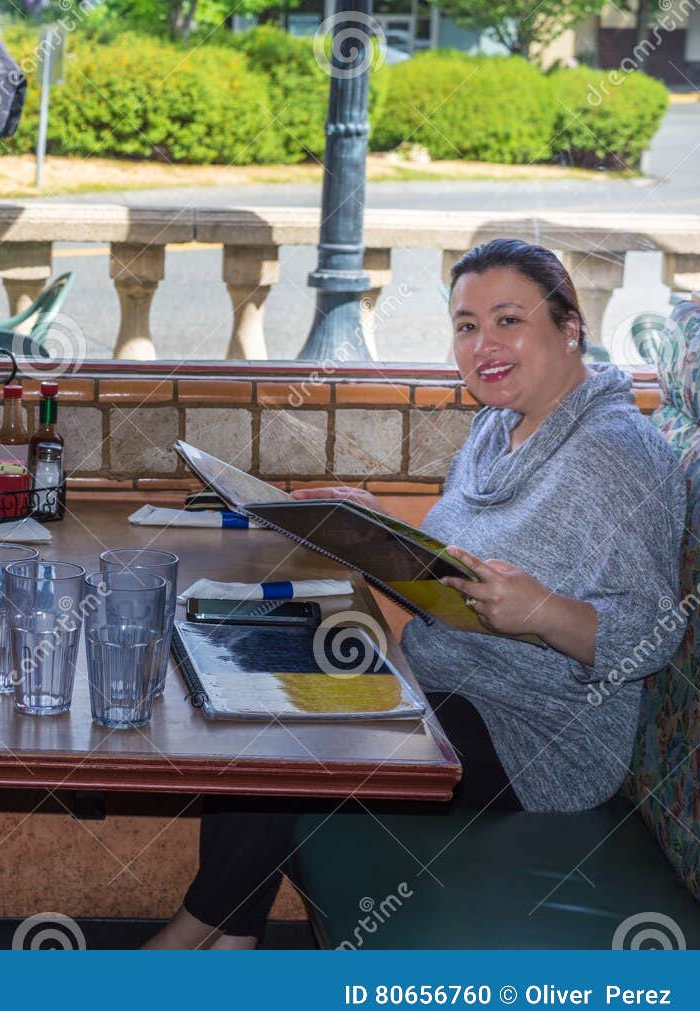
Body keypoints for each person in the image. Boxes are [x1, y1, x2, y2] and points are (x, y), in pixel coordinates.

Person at [149, 237, 685, 949]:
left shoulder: (616, 454)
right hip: (438, 679)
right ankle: (231, 939)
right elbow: (460, 559)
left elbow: (652, 631)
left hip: (531, 738)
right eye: (467, 326)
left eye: (508, 320)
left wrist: (544, 613)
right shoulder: (501, 426)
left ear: (569, 326)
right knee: (258, 675)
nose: (483, 345)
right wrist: (364, 517)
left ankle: (193, 938)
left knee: (290, 730)